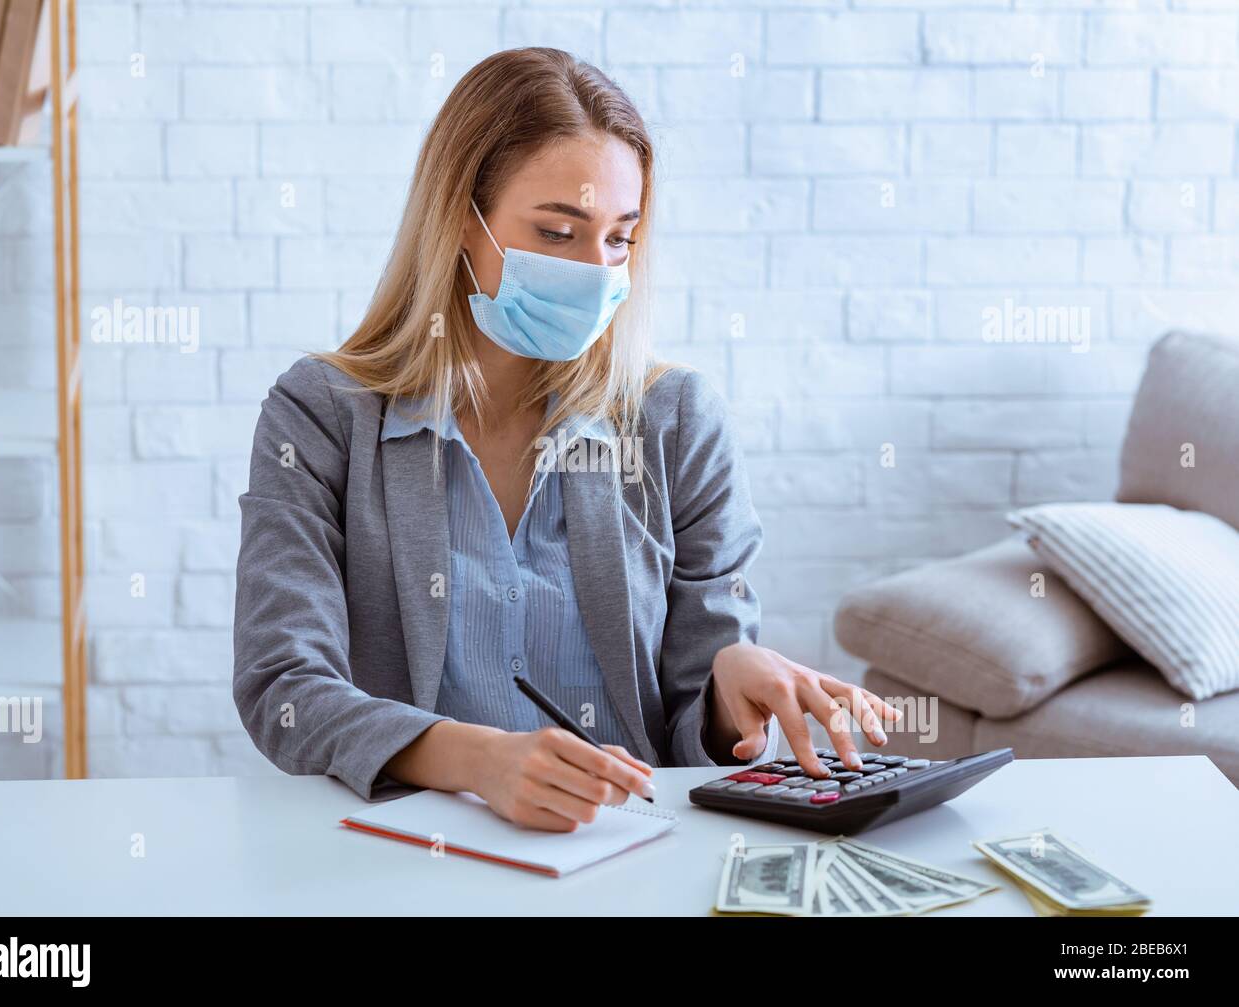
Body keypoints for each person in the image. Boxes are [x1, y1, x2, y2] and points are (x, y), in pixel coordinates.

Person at [233, 47, 898, 832]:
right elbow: (284, 687)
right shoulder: (321, 416)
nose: (596, 272)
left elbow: (694, 725)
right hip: (408, 853)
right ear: (458, 220)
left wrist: (725, 691)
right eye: (557, 232)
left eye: (619, 238)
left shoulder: (677, 421)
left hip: (629, 852)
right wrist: (480, 760)